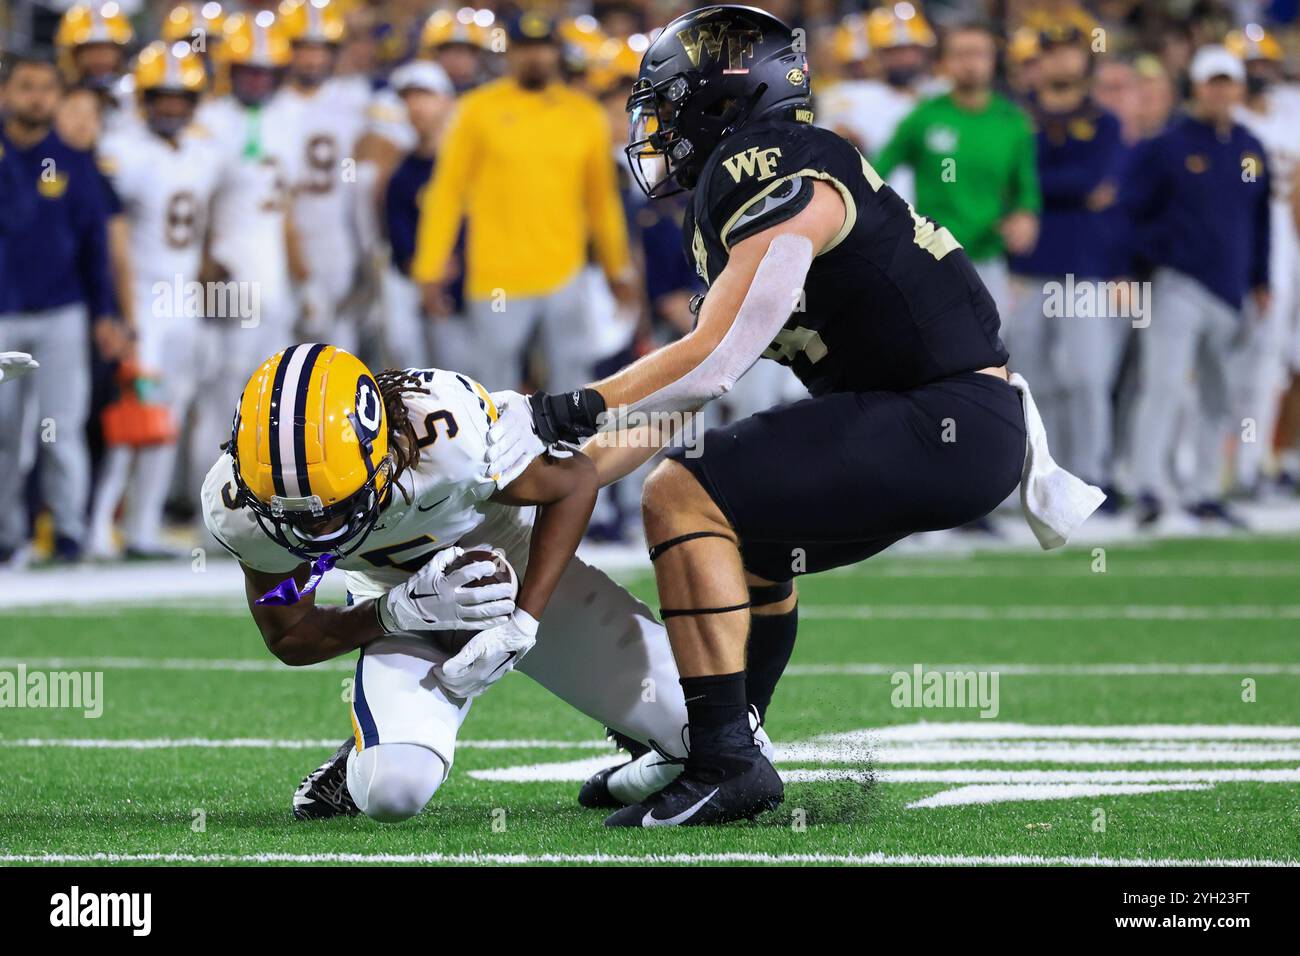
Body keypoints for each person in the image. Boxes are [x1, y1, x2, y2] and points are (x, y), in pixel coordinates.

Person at [485, 7, 1096, 827]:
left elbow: (714, 356)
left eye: (670, 106)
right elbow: (692, 391)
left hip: (945, 414)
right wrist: (569, 472)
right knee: (753, 538)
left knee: (682, 495)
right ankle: (739, 738)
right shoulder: (748, 191)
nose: (656, 129)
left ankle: (724, 758)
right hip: (948, 425)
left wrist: (563, 409)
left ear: (723, 105)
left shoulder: (773, 166)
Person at [200, 345, 770, 822]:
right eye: (291, 513)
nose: (314, 528)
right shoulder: (244, 513)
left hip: (521, 567)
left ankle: (637, 771)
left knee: (721, 742)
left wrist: (524, 621)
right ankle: (361, 759)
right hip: (397, 606)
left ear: (382, 449)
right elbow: (291, 635)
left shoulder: (448, 440)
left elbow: (573, 481)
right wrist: (394, 613)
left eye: (330, 508)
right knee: (392, 791)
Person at [411, 10, 635, 393]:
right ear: (509, 54)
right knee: (493, 394)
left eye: (543, 48)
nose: (535, 57)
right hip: (497, 277)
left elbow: (602, 202)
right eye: (525, 48)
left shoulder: (585, 115)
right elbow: (446, 193)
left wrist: (618, 268)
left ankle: (567, 456)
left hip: (565, 273)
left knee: (571, 390)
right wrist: (430, 267)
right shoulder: (478, 110)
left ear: (557, 53)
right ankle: (497, 456)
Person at [1123, 45, 1272, 528]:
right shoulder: (1168, 145)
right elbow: (1130, 212)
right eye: (1213, 82)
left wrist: (1261, 279)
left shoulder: (1251, 147)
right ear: (1197, 86)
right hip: (1178, 285)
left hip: (1231, 291)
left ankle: (1206, 491)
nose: (1221, 91)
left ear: (1238, 87)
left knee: (1219, 395)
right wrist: (1145, 263)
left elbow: (1260, 220)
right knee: (1164, 387)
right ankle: (1147, 486)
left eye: (1228, 82)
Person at [87, 42, 225, 560]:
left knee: (167, 418)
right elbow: (105, 237)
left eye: (181, 98)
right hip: (141, 304)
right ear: (143, 99)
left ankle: (143, 527)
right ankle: (99, 525)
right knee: (132, 418)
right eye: (162, 98)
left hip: (184, 303)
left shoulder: (203, 153)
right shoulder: (123, 151)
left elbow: (204, 226)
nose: (171, 108)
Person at [0, 54, 123, 565]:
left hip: (63, 312)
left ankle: (70, 533)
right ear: (6, 92)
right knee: (3, 431)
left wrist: (106, 313)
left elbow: (97, 245)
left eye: (46, 88)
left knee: (61, 427)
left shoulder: (73, 160)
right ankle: (7, 535)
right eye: (26, 86)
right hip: (4, 314)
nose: (37, 98)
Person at [1007, 30, 1130, 502]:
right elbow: (1019, 180)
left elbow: (1096, 180)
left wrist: (1034, 192)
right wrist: (1069, 192)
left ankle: (1095, 474)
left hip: (1084, 267)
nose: (1060, 58)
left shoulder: (1105, 122)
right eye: (1052, 49)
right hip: (1025, 266)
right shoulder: (1018, 117)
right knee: (1032, 380)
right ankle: (1041, 478)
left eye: (1069, 49)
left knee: (1086, 376)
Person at [874, 21, 1041, 316]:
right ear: (945, 62)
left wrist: (1025, 216)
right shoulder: (925, 116)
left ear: (993, 60)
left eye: (979, 54)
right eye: (960, 54)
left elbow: (1026, 188)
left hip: (989, 255)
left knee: (995, 350)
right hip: (933, 257)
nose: (970, 63)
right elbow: (877, 172)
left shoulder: (1012, 121)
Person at [275, 0, 370, 353]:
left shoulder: (354, 98)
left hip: (336, 236)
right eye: (304, 49)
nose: (313, 60)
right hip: (281, 238)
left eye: (320, 50)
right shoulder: (271, 106)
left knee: (338, 347)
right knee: (281, 349)